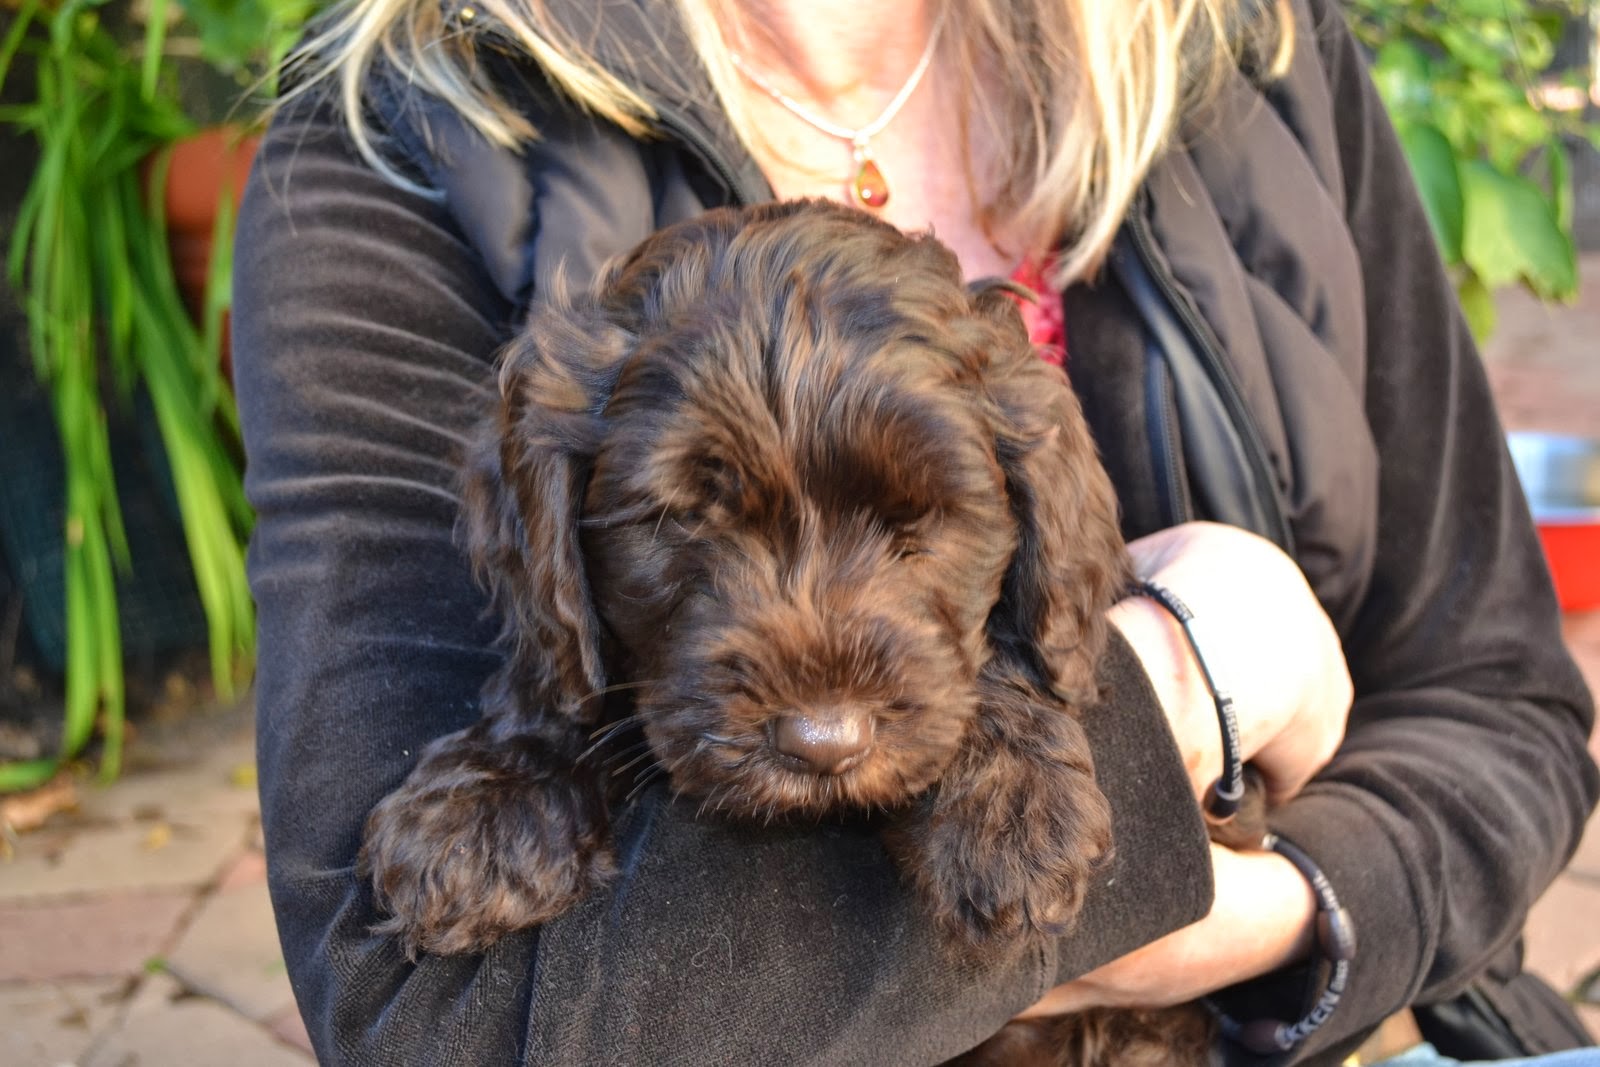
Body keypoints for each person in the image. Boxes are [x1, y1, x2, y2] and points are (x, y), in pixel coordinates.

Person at [231, 0, 1600, 1063]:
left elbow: (1504, 707)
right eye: (691, 523)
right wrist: (1186, 674)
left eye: (909, 521)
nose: (821, 706)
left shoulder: (1243, 46)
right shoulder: (401, 132)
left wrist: (1290, 914)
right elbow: (435, 1020)